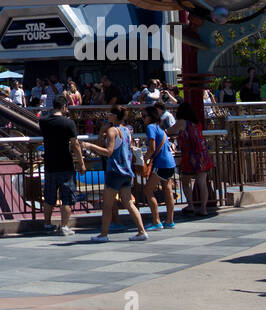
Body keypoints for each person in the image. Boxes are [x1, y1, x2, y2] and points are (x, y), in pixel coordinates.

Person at [81, 106, 149, 242]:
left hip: (115, 170)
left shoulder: (112, 131)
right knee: (129, 202)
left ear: (114, 116)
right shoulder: (126, 130)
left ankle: (103, 234)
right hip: (126, 170)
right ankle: (142, 231)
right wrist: (102, 132)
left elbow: (108, 152)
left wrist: (89, 146)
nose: (107, 115)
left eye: (110, 113)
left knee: (107, 204)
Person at [38, 94, 82, 237]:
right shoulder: (68, 123)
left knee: (49, 197)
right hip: (65, 164)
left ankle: (47, 223)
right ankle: (64, 226)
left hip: (50, 164)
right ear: (64, 107)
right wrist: (81, 163)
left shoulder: (43, 122)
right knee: (67, 198)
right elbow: (75, 144)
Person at [167, 101, 212, 217]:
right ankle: (203, 208)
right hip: (203, 154)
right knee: (202, 182)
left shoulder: (182, 122)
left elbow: (169, 131)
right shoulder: (197, 123)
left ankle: (190, 205)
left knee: (185, 180)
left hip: (190, 155)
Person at [142, 104, 176, 230]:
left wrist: (144, 160)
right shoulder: (160, 127)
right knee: (168, 190)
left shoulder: (151, 127)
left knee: (148, 190)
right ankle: (170, 220)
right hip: (170, 162)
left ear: (150, 117)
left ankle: (156, 221)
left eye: (144, 116)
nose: (143, 119)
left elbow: (151, 148)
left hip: (160, 163)